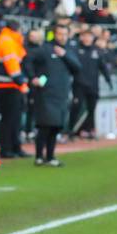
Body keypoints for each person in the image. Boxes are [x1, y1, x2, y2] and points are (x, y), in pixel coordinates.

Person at [28, 23, 81, 167]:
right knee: (45, 125)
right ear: (54, 34)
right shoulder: (44, 49)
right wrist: (33, 77)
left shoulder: (69, 50)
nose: (62, 37)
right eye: (59, 34)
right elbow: (27, 61)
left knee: (56, 126)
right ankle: (39, 156)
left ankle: (50, 157)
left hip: (62, 94)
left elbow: (77, 67)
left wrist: (64, 55)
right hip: (46, 93)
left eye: (65, 34)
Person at [0, 23, 29, 158]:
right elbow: (12, 65)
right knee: (10, 119)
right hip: (6, 85)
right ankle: (7, 149)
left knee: (13, 118)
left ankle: (14, 147)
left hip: (5, 85)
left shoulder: (6, 39)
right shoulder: (7, 41)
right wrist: (21, 82)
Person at [69, 27, 114, 138]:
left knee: (92, 109)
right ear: (81, 37)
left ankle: (89, 130)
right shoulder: (75, 49)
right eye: (85, 36)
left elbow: (103, 67)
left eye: (90, 36)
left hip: (93, 85)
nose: (87, 38)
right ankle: (70, 130)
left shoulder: (96, 51)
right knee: (76, 107)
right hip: (79, 84)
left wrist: (108, 80)